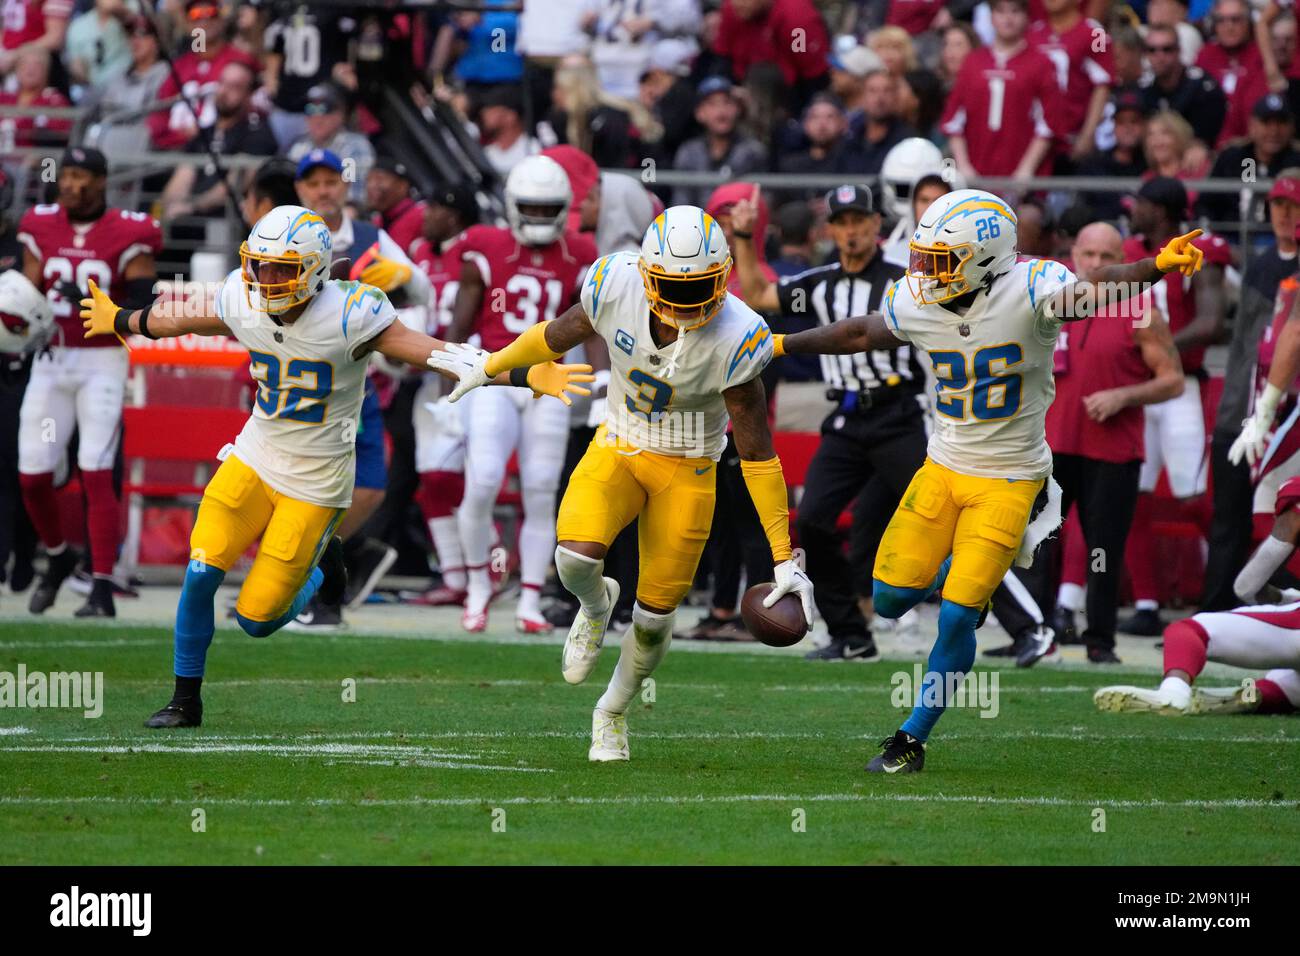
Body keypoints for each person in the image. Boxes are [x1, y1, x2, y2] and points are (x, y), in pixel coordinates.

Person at [78, 204, 591, 728]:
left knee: (255, 620)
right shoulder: (242, 294)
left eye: (283, 268)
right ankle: (185, 700)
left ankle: (325, 569)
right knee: (200, 570)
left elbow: (435, 352)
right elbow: (183, 316)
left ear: (317, 270)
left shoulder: (352, 313)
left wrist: (521, 374)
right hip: (254, 457)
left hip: (317, 482)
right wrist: (121, 319)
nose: (267, 278)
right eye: (260, 265)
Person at [775, 188, 1206, 772]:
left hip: (1009, 478)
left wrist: (1154, 266)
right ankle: (961, 574)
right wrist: (779, 343)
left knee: (956, 615)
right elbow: (859, 333)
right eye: (923, 257)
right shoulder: (920, 297)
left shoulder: (1030, 290)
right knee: (890, 599)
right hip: (944, 466)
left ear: (986, 258)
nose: (925, 271)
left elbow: (1096, 293)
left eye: (940, 260)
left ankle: (911, 737)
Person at [431, 204, 814, 761]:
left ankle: (611, 711)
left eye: (698, 288)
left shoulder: (740, 335)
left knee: (656, 620)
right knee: (575, 559)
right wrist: (492, 367)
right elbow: (554, 335)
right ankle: (593, 606)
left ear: (724, 277)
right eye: (672, 288)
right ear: (646, 276)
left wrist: (785, 558)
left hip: (689, 466)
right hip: (619, 442)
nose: (685, 304)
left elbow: (758, 455)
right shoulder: (614, 282)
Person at [732, 184, 923, 661]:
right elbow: (756, 292)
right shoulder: (819, 284)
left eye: (860, 220)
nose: (851, 230)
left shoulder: (907, 282)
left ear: (878, 225)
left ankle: (1026, 626)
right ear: (829, 229)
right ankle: (851, 635)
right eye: (842, 222)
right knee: (814, 520)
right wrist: (743, 235)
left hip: (901, 414)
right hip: (847, 418)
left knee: (944, 515)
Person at [444, 155, 599, 633]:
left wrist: (604, 378)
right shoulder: (485, 246)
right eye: (528, 208)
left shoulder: (581, 251)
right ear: (512, 206)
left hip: (551, 380)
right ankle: (477, 586)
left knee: (539, 490)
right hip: (495, 374)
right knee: (484, 480)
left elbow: (592, 317)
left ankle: (529, 599)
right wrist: (446, 379)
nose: (536, 218)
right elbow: (461, 322)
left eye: (545, 208)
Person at [1025, 222, 1185, 664]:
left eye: (1107, 257)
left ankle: (1100, 642)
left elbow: (1173, 380)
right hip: (1051, 445)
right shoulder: (1049, 300)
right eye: (1089, 255)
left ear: (1122, 261)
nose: (1095, 265)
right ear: (1073, 253)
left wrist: (1124, 395)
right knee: (1036, 542)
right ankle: (1034, 635)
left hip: (1112, 451)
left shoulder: (1139, 308)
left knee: (1102, 549)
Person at [17, 147, 161, 618]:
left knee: (95, 469)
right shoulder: (40, 224)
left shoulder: (130, 231)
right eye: (68, 175)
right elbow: (26, 293)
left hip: (102, 361)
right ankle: (58, 558)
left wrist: (98, 301)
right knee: (34, 472)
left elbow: (144, 303)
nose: (73, 186)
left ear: (102, 181)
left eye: (83, 177)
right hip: (52, 359)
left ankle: (100, 583)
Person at [290, 149, 431, 629]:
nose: (324, 190)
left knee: (369, 486)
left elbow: (425, 292)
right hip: (301, 380)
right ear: (300, 190)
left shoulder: (369, 238)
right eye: (314, 183)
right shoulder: (282, 234)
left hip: (357, 382)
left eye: (332, 180)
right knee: (300, 489)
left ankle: (313, 578)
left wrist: (406, 277)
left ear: (345, 186)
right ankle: (302, 587)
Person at [1120, 177, 1231, 636]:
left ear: (1161, 210)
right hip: (1137, 390)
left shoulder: (1200, 248)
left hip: (1180, 385)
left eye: (1140, 204)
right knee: (1133, 497)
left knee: (1190, 497)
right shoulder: (1128, 250)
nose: (1132, 210)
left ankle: (1224, 592)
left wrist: (1155, 348)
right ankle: (1147, 602)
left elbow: (1209, 322)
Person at [1202, 172, 1300, 610]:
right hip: (1246, 407)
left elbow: (1289, 340)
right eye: (1279, 204)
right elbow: (1249, 347)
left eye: (1294, 206)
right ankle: (1216, 612)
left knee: (1279, 515)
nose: (1285, 214)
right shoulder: (1261, 264)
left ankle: (1273, 610)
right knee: (1231, 519)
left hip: (1285, 412)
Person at [409, 183, 479, 607]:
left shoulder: (476, 251)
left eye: (434, 206)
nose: (425, 214)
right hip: (427, 375)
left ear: (454, 214)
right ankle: (455, 576)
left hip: (471, 376)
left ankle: (488, 565)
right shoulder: (418, 251)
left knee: (464, 478)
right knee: (432, 481)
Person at [940, 0, 1057, 180]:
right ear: (991, 17)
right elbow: (954, 119)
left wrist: (1026, 169)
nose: (1008, 19)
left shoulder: (1041, 63)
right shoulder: (973, 62)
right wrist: (964, 166)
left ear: (1027, 17)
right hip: (976, 169)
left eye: (1015, 11)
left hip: (1022, 173)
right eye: (1001, 12)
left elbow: (1049, 122)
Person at [159, 60, 278, 221]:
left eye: (235, 87)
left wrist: (192, 207)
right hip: (187, 222)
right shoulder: (204, 132)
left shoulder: (257, 133)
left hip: (228, 224)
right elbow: (182, 177)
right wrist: (174, 205)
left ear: (249, 95)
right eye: (222, 83)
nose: (224, 92)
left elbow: (234, 184)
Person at [147, 0, 260, 150]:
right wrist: (180, 138)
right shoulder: (180, 65)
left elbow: (253, 108)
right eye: (196, 15)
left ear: (221, 20)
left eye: (211, 14)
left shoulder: (240, 60)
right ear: (187, 23)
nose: (204, 21)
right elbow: (159, 115)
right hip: (175, 152)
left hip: (223, 148)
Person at [1028, 0, 1114, 164]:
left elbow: (1103, 84)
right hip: (1036, 137)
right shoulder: (1032, 32)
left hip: (1075, 133)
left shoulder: (1096, 32)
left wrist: (1088, 133)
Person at [670, 76, 767, 208]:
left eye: (727, 102)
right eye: (712, 104)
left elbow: (762, 200)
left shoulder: (752, 151)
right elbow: (681, 202)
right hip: (698, 224)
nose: (721, 111)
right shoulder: (688, 152)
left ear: (737, 109)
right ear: (700, 113)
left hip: (740, 224)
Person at [1138, 23, 1227, 148]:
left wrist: (1200, 144)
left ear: (1178, 50)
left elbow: (1207, 139)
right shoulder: (1143, 88)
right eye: (1152, 50)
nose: (1160, 56)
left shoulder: (1202, 87)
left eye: (1167, 49)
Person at [284, 83, 375, 204]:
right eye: (310, 110)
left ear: (340, 114)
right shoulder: (300, 147)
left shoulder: (354, 146)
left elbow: (354, 197)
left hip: (344, 213)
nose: (317, 117)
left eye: (323, 109)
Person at [367, 157, 426, 255]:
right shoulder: (376, 221)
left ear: (402, 186)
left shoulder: (420, 216)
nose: (371, 185)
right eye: (369, 179)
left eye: (379, 180)